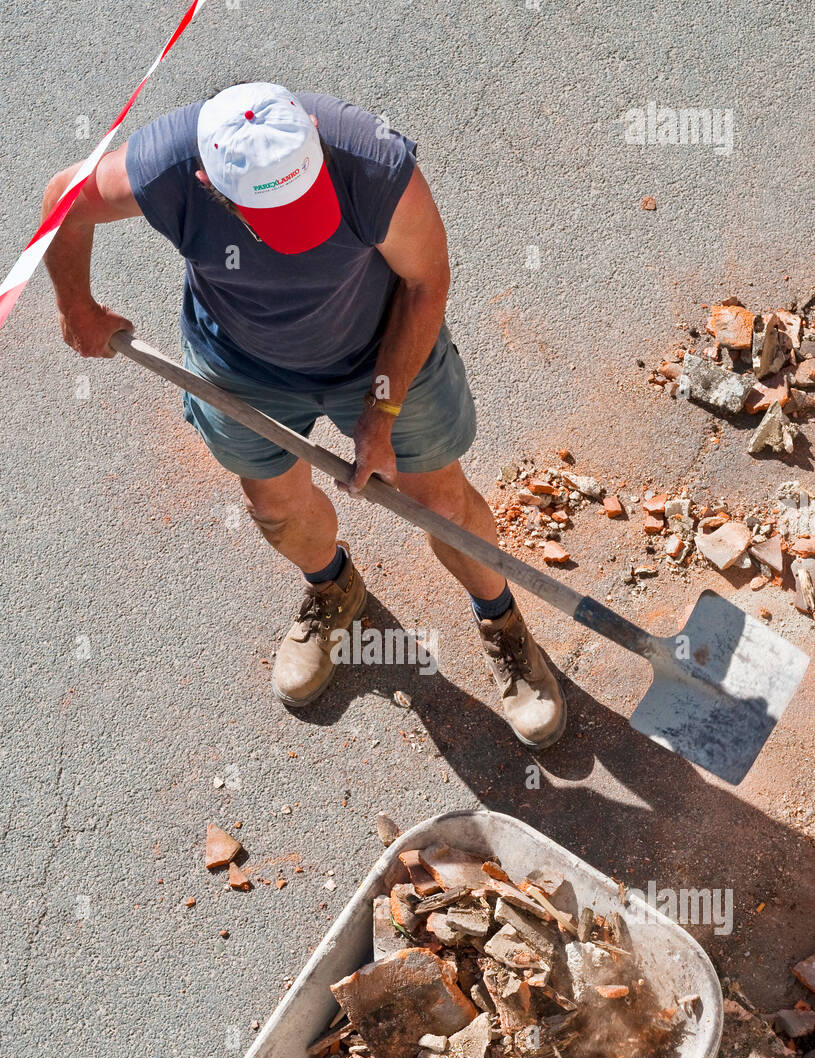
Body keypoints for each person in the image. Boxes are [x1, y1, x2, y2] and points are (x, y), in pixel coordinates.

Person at [42, 82, 566, 748]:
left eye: (306, 201)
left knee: (442, 504)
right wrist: (76, 307)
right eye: (277, 214)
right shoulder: (169, 167)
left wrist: (381, 408)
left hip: (380, 350)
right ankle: (333, 590)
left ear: (315, 147)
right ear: (212, 186)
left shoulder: (372, 167)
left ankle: (501, 622)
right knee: (276, 508)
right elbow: (65, 199)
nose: (299, 224)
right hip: (240, 363)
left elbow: (425, 282)